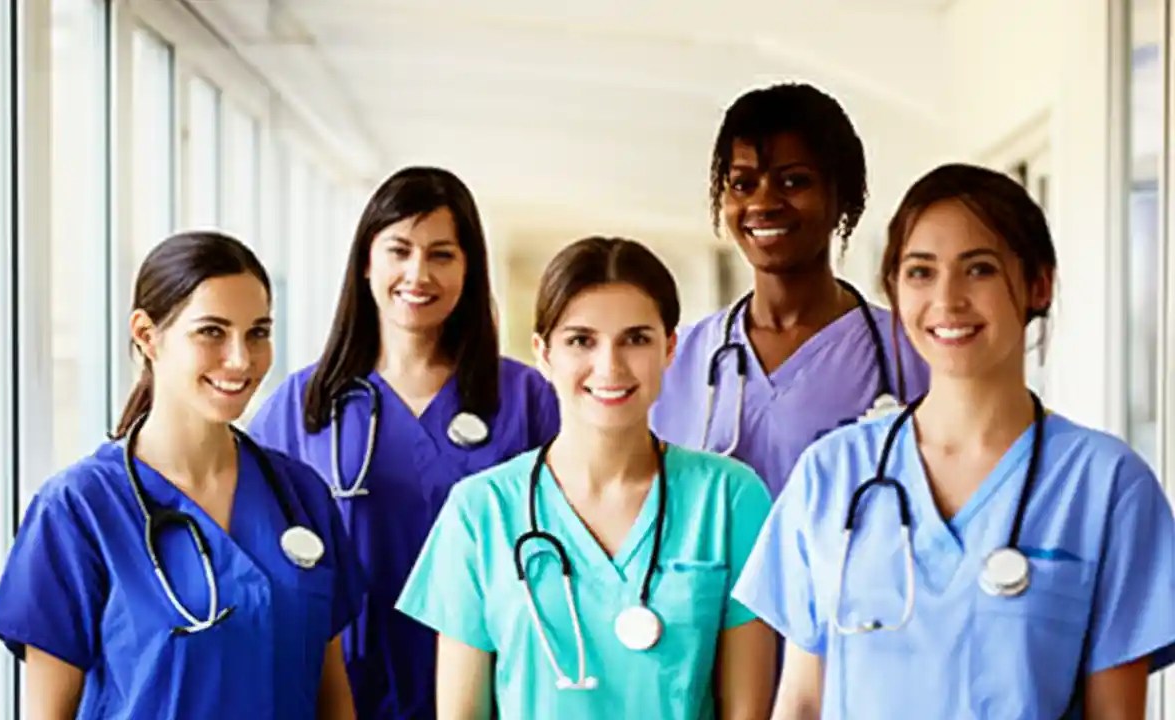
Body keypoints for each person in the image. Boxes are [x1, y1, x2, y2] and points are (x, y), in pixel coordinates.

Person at [733, 164, 1175, 718]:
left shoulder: (1106, 487)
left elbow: (1116, 713)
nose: (948, 299)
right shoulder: (833, 473)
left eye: (980, 269)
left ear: (1040, 284)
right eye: (920, 272)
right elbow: (800, 702)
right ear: (893, 289)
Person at [0, 232, 364, 718]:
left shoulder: (300, 496)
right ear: (146, 335)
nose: (241, 359)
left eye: (258, 332)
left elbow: (333, 698)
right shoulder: (78, 510)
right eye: (212, 331)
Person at [396, 237, 777, 719]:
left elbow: (747, 714)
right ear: (543, 353)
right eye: (581, 340)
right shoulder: (481, 510)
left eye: (636, 339)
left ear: (670, 349)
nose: (610, 366)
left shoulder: (729, 500)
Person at [248, 166, 559, 718]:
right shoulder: (304, 406)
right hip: (343, 690)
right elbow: (253, 559)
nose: (419, 274)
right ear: (367, 261)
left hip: (491, 685)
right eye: (399, 250)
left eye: (442, 254)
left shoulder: (524, 398)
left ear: (469, 270)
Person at [651, 82, 929, 497]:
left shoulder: (908, 354)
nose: (763, 203)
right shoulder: (679, 360)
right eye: (743, 184)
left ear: (843, 197)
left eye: (794, 181)